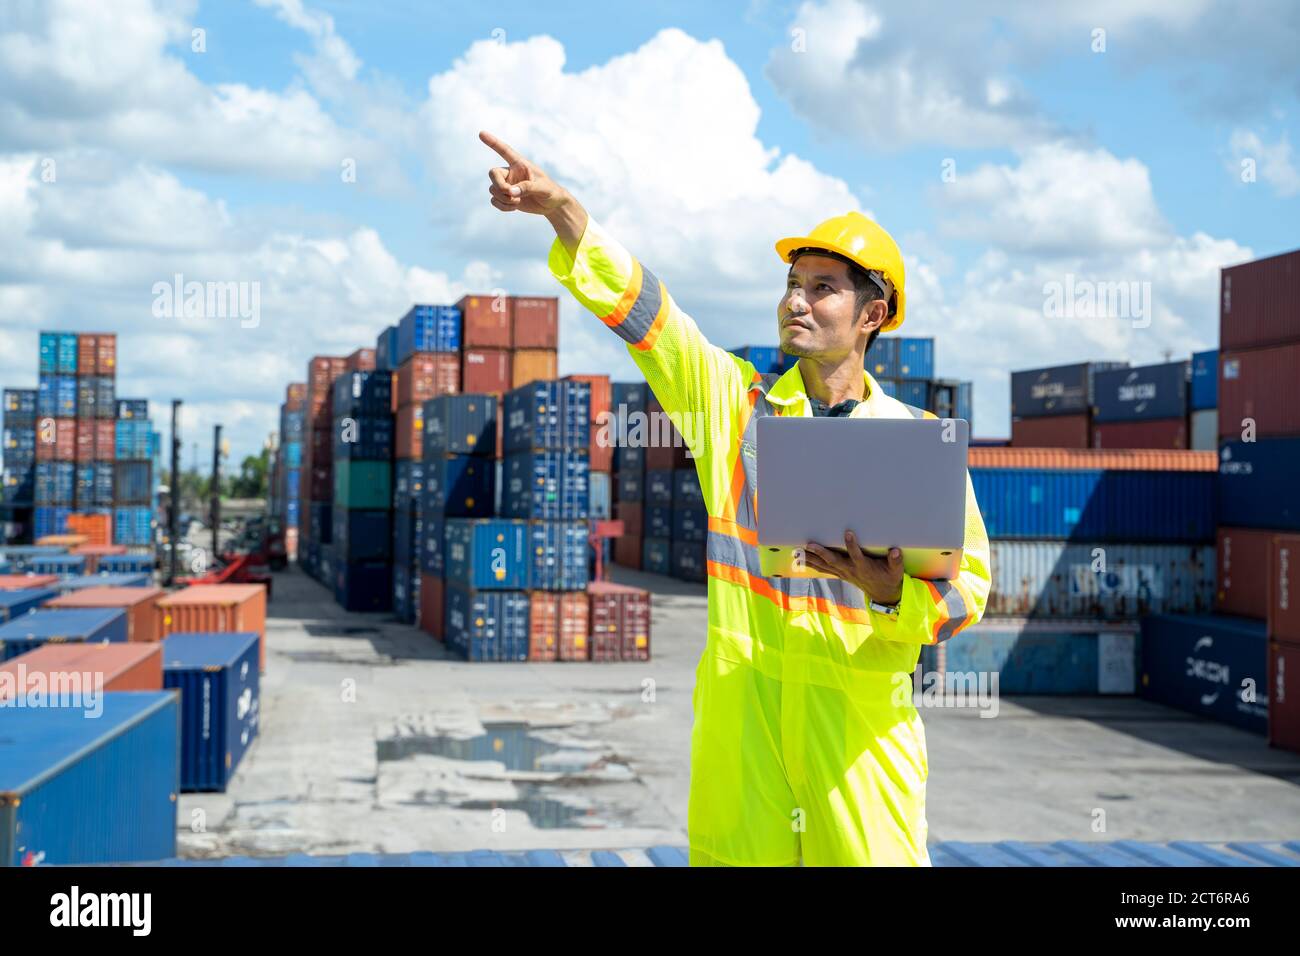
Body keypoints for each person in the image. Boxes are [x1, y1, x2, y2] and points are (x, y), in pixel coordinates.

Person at [480, 130, 991, 866]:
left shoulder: (918, 443)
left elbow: (967, 591)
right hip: (741, 723)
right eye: (792, 285)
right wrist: (566, 213)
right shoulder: (736, 411)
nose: (797, 301)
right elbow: (654, 321)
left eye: (823, 288)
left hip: (860, 738)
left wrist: (890, 595)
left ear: (872, 316)